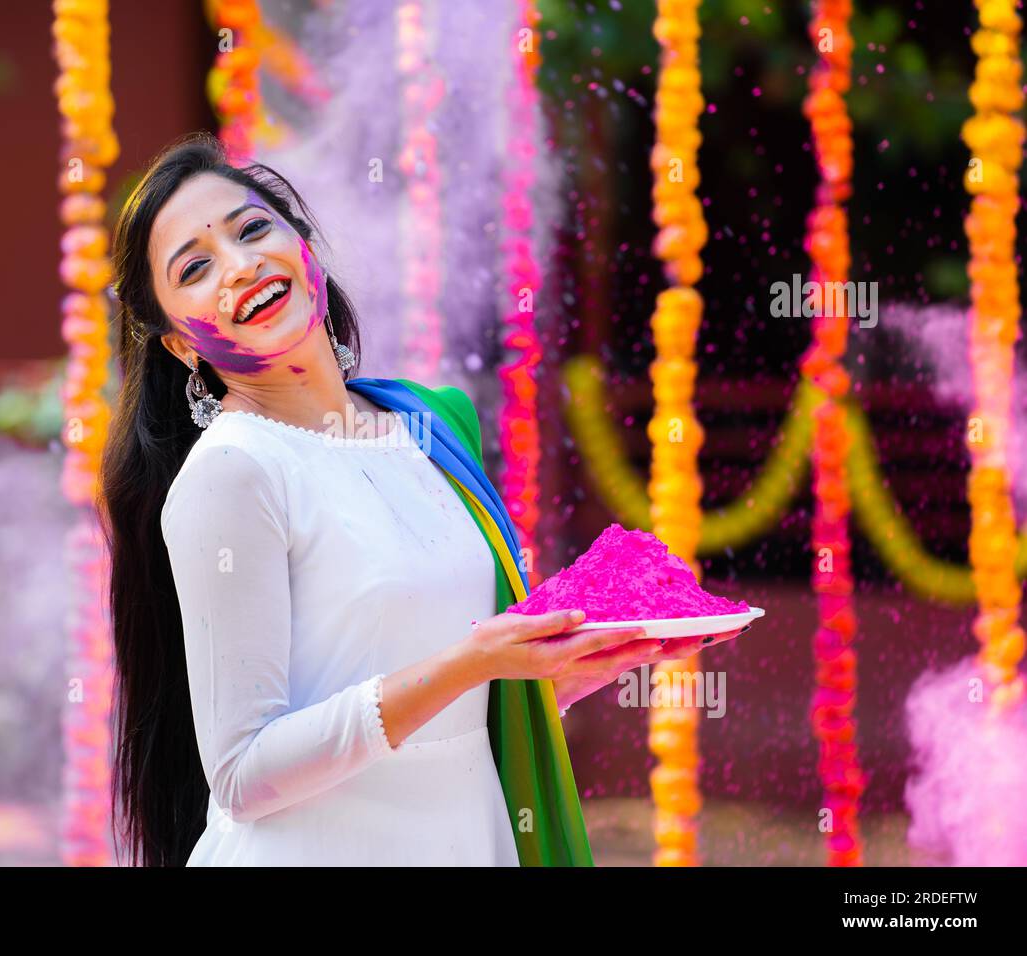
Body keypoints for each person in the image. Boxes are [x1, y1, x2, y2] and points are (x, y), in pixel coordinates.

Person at [98, 131, 742, 866]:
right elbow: (244, 774)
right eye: (197, 268)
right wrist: (473, 664)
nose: (241, 266)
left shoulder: (422, 429)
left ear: (302, 246)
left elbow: (444, 713)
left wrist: (551, 676)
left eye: (252, 230)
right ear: (182, 344)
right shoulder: (235, 471)